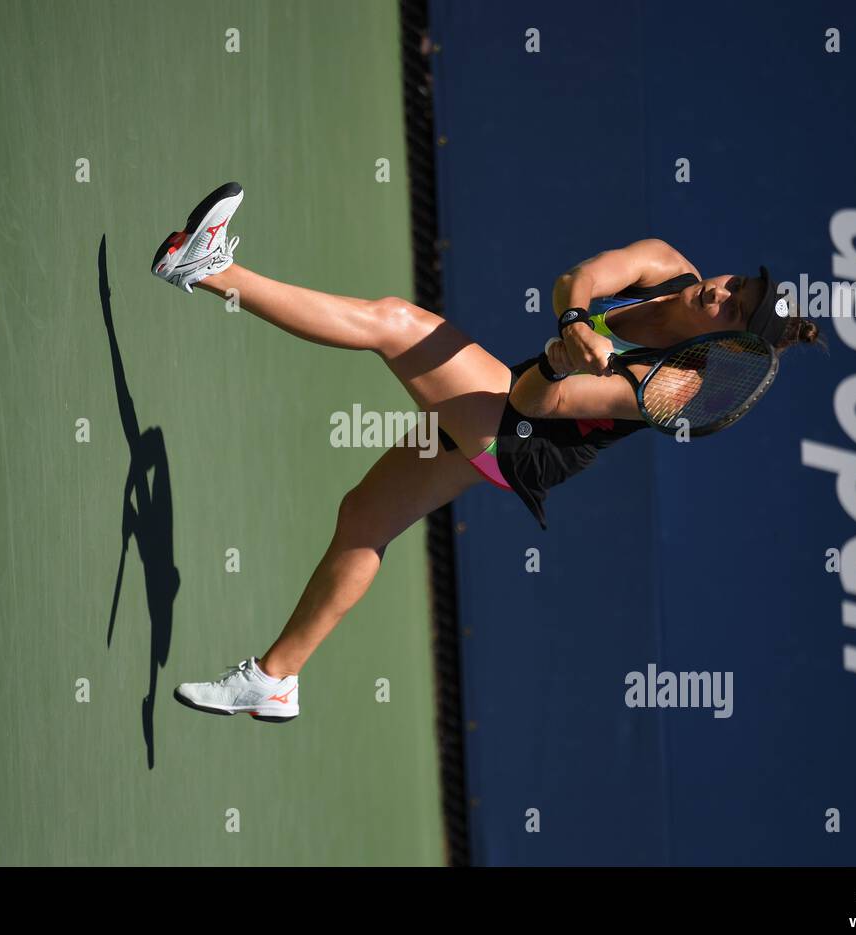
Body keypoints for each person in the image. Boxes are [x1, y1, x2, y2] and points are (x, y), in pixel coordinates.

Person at [151, 183, 820, 721]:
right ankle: (275, 680)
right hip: (516, 398)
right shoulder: (667, 265)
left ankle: (207, 267)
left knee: (396, 323)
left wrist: (560, 366)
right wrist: (573, 324)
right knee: (362, 519)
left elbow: (540, 406)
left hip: (527, 442)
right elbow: (578, 278)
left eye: (736, 311)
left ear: (733, 343)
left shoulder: (674, 382)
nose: (724, 293)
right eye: (739, 285)